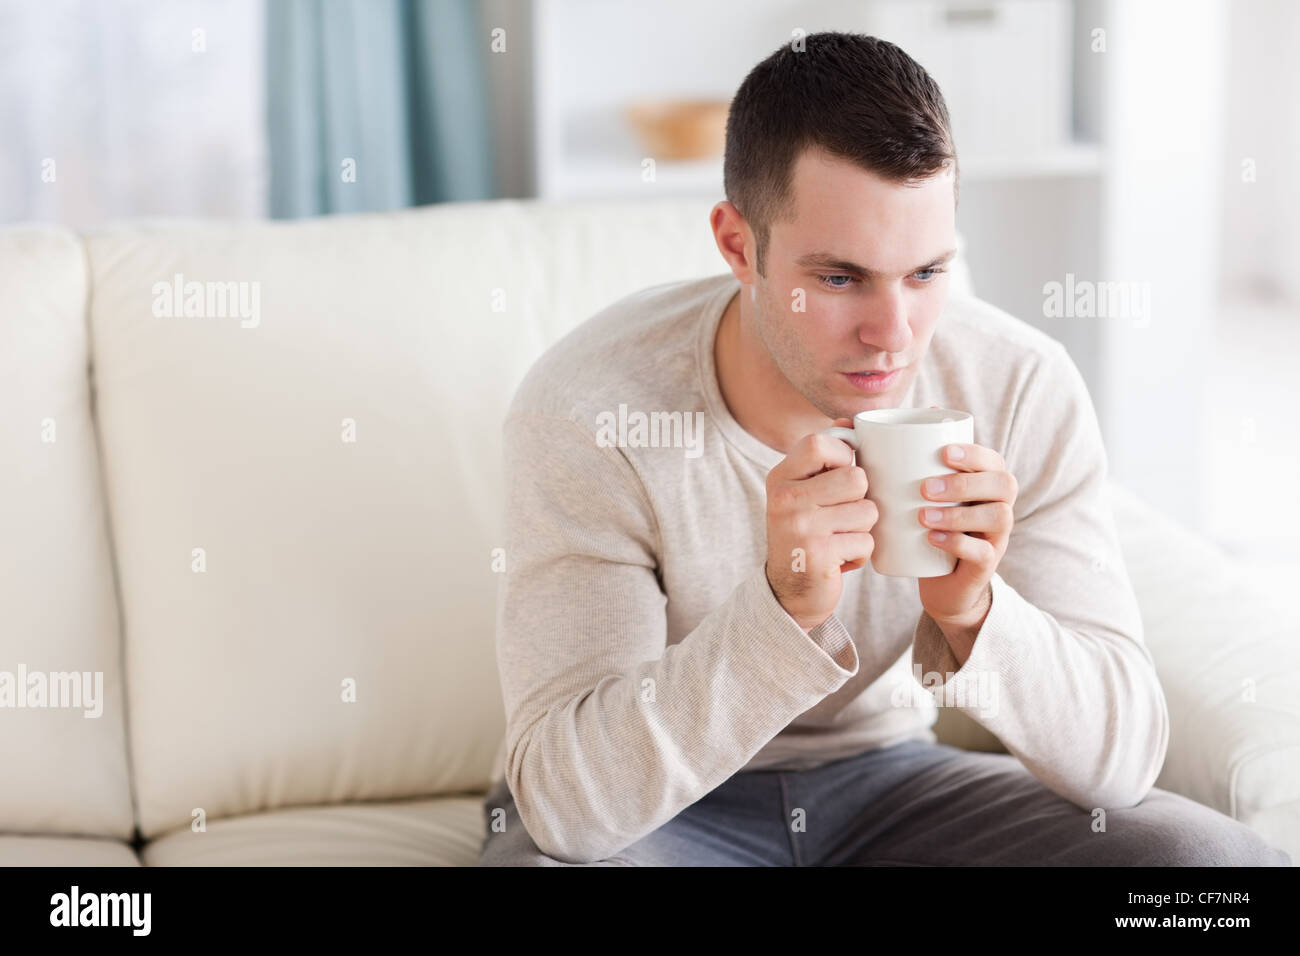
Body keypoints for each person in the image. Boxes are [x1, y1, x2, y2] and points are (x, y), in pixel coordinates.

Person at [478, 32, 1291, 866]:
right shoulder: (592, 411)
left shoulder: (1017, 386)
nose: (893, 335)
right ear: (738, 245)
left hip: (888, 785)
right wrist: (781, 611)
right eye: (840, 279)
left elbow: (1120, 766)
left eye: (927, 273)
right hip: (658, 821)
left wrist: (974, 612)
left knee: (1209, 869)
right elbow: (572, 810)